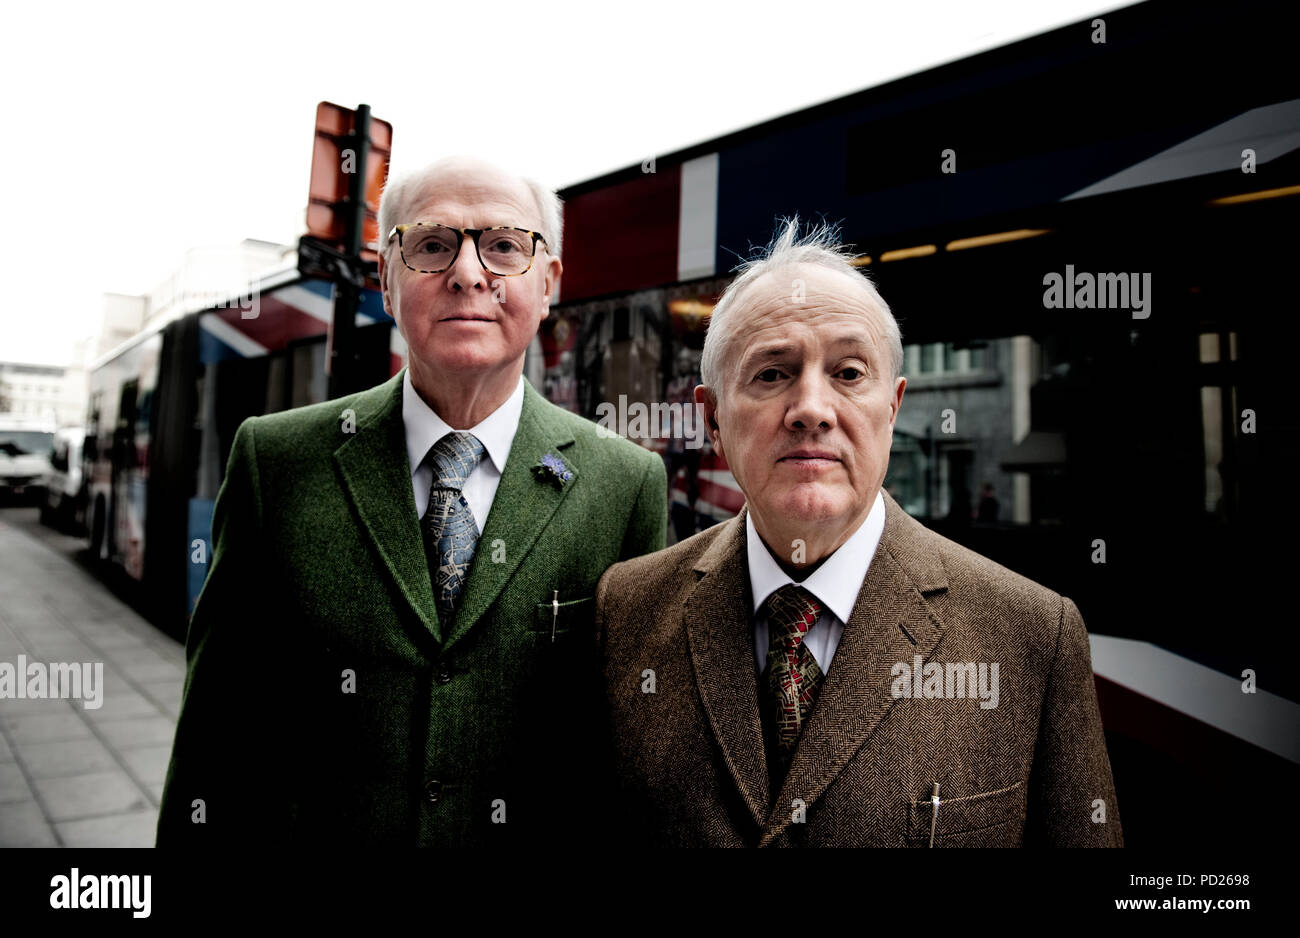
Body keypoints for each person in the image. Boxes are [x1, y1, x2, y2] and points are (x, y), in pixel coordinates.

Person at [158, 157, 667, 847]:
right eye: (431, 244)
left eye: (504, 246)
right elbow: (217, 740)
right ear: (386, 280)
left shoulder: (625, 483)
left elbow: (636, 757)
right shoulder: (274, 463)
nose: (467, 272)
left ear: (547, 283)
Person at [595, 219, 1121, 847]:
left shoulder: (1035, 634)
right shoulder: (625, 611)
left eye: (848, 373)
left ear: (892, 408)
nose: (812, 408)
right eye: (771, 373)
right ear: (712, 418)